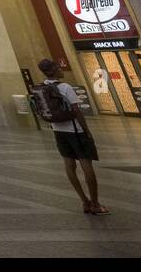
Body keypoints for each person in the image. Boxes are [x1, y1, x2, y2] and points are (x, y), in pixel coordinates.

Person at [36, 59, 108, 215]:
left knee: (69, 165)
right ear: (54, 70)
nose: (62, 70)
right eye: (59, 67)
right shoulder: (65, 87)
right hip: (74, 130)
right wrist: (86, 130)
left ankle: (84, 201)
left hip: (58, 130)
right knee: (86, 164)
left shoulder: (42, 88)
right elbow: (76, 111)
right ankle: (95, 203)